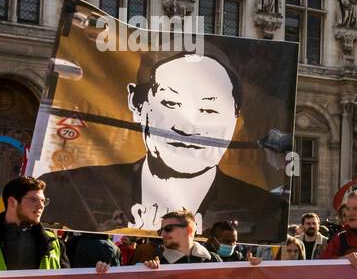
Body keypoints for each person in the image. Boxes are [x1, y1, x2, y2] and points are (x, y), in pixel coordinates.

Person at [38, 48, 282, 238]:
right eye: (171, 104)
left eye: (209, 110)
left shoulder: (267, 212)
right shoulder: (64, 191)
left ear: (236, 121)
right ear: (137, 105)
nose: (187, 128)